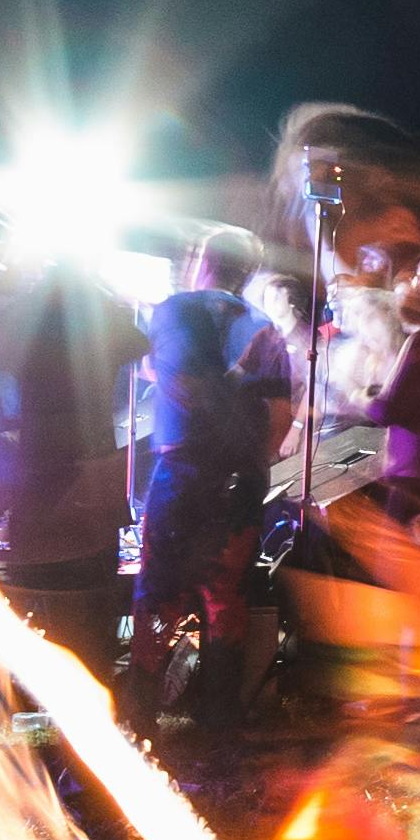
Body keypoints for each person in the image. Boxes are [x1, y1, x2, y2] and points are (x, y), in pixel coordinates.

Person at [122, 226, 287, 731]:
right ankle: (219, 721)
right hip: (242, 479)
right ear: (249, 272)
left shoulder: (180, 309)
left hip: (186, 473)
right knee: (225, 598)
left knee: (159, 593)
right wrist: (255, 467)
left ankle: (140, 716)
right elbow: (280, 412)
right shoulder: (263, 324)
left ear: (201, 259)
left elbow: (185, 385)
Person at [0, 228, 136, 680]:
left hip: (44, 464)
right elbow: (137, 348)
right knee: (90, 591)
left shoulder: (26, 315)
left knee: (41, 588)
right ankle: (94, 687)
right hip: (91, 461)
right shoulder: (103, 313)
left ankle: (42, 692)